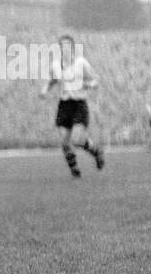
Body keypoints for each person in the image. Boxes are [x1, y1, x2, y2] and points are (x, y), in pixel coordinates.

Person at [40, 34, 104, 177]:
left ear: (72, 47)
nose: (65, 48)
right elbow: (53, 80)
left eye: (68, 45)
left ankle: (96, 152)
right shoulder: (56, 65)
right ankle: (75, 170)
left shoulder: (81, 63)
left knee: (78, 140)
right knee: (64, 141)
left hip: (79, 104)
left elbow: (96, 80)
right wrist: (45, 89)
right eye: (62, 46)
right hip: (64, 105)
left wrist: (88, 84)